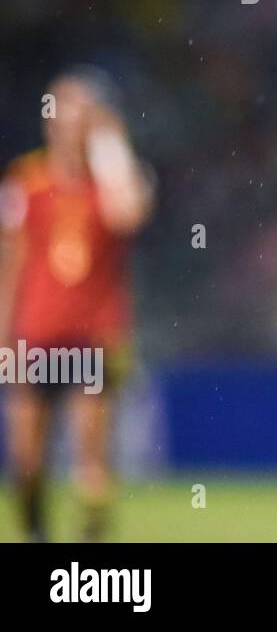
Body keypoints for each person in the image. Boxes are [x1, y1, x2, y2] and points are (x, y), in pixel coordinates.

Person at [0, 66, 156, 541]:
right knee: (26, 458)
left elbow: (129, 214)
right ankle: (36, 534)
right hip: (36, 334)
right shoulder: (25, 180)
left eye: (78, 113)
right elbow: (10, 262)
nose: (64, 122)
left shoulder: (111, 180)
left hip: (95, 334)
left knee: (92, 460)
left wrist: (110, 144)